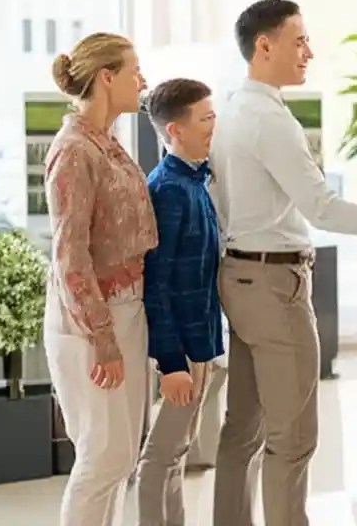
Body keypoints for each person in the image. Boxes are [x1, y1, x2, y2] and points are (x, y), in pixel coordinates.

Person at [210, 0, 357, 526]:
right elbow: (322, 207)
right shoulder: (270, 120)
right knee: (293, 438)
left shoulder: (232, 110)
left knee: (243, 429)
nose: (310, 52)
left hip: (240, 277)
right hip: (275, 287)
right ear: (264, 46)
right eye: (299, 41)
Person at [43, 32, 158, 526]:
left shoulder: (108, 143)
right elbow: (70, 255)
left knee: (121, 457)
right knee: (101, 457)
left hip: (126, 310)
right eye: (135, 70)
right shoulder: (74, 150)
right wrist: (103, 338)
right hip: (92, 322)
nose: (143, 81)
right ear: (107, 78)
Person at [136, 78, 221, 526]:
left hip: (199, 341)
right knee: (159, 458)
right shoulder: (168, 189)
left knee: (178, 452)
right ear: (175, 130)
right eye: (206, 118)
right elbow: (157, 281)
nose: (214, 126)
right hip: (183, 349)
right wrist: (171, 363)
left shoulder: (195, 180)